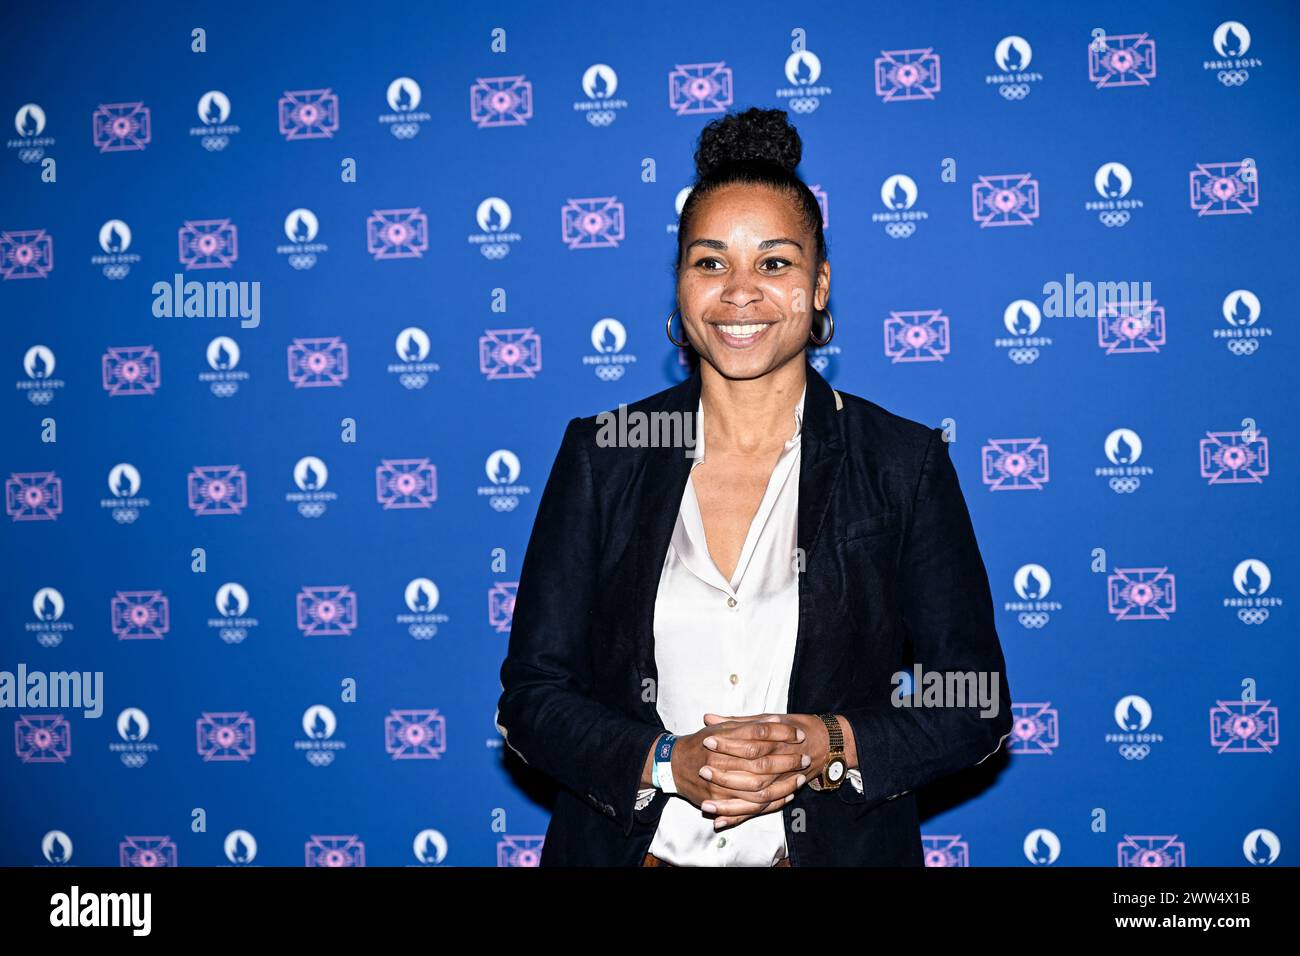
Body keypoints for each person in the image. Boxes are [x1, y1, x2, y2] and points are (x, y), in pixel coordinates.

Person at [496, 107, 1013, 866]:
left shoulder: (901, 462)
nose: (740, 292)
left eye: (774, 263)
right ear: (679, 286)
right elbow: (532, 698)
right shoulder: (604, 454)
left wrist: (827, 743)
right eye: (710, 263)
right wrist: (665, 760)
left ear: (820, 285)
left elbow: (975, 701)